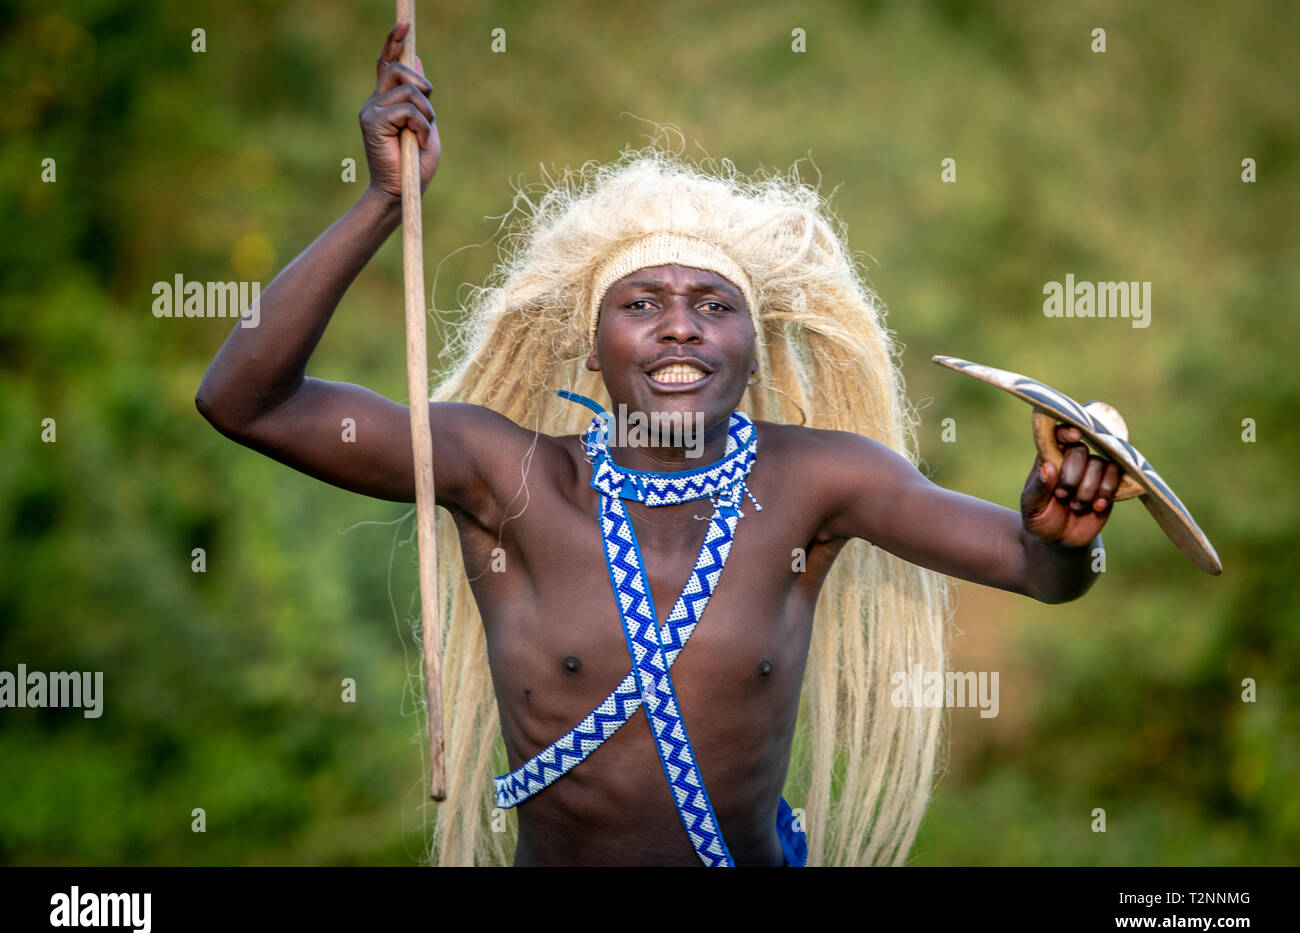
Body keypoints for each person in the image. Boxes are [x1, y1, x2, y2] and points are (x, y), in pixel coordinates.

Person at [195, 22, 1125, 866]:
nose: (679, 328)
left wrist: (1062, 534)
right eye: (642, 305)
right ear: (593, 353)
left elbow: (1037, 572)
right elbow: (245, 401)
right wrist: (383, 207)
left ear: (755, 354)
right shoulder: (505, 476)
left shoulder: (819, 481)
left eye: (714, 307)